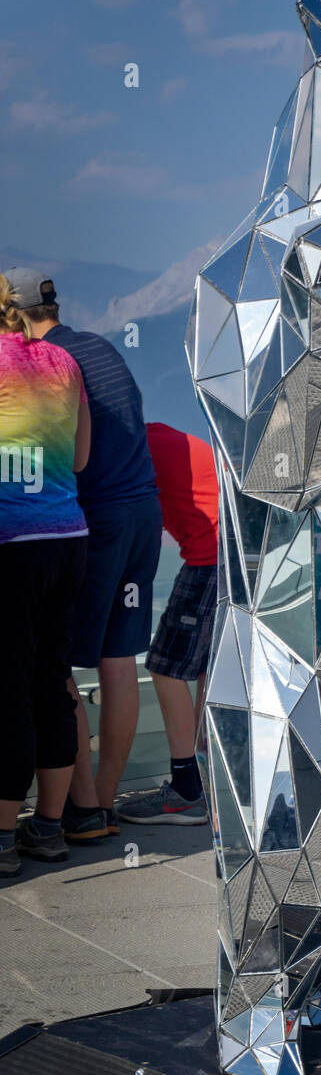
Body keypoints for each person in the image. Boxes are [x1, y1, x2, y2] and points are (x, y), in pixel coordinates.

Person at [3, 268, 164, 834]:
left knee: (56, 667)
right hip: (144, 511)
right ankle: (98, 806)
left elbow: (68, 456)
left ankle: (78, 806)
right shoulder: (97, 347)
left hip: (91, 521)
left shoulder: (42, 361)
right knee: (117, 659)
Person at [0, 272, 90, 873]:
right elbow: (80, 458)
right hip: (68, 538)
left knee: (6, 690)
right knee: (52, 683)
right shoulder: (64, 362)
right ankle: (49, 828)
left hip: (12, 543)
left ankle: (2, 839)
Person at [115, 423, 219, 825]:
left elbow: (124, 516)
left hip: (209, 559)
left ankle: (186, 791)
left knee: (165, 666)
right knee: (209, 669)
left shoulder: (130, 447)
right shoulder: (166, 437)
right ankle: (210, 782)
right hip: (239, 557)